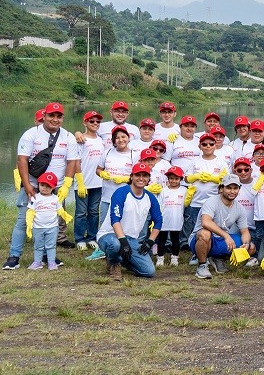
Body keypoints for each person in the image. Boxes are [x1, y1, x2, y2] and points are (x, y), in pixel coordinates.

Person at [5, 102, 80, 271]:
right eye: (51, 116)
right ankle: (14, 256)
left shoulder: (68, 137)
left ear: (62, 118)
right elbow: (22, 160)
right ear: (44, 116)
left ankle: (47, 255)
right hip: (32, 186)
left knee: (50, 222)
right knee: (24, 221)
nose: (55, 119)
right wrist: (27, 185)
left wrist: (66, 186)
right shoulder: (31, 134)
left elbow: (72, 162)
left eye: (59, 116)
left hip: (55, 188)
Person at [95, 163, 162, 280]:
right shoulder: (121, 193)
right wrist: (123, 241)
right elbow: (115, 220)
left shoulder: (150, 198)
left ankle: (121, 258)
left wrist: (150, 241)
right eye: (138, 175)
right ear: (131, 176)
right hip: (109, 235)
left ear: (148, 179)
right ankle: (114, 263)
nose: (141, 178)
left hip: (131, 239)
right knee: (116, 245)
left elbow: (158, 221)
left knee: (149, 271)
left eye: (144, 176)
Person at [189, 174, 255, 280]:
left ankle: (218, 258)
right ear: (221, 189)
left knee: (251, 248)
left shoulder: (239, 207)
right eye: (228, 187)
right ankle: (202, 266)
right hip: (202, 239)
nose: (232, 191)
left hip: (221, 240)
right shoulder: (212, 201)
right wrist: (226, 236)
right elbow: (205, 222)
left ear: (239, 189)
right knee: (205, 233)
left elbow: (245, 231)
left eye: (235, 188)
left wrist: (246, 244)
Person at [25, 172, 72, 270]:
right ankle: (37, 262)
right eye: (42, 185)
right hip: (37, 227)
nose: (45, 188)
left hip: (52, 227)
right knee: (38, 246)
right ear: (38, 184)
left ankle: (51, 262)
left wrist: (66, 216)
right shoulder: (35, 197)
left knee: (51, 246)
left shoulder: (56, 199)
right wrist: (29, 225)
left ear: (53, 187)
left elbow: (60, 211)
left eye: (48, 186)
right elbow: (30, 211)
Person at [75, 110, 105, 251]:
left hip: (98, 183)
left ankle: (91, 237)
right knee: (81, 212)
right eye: (91, 121)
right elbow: (75, 161)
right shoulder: (80, 139)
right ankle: (79, 238)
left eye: (97, 121)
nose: (95, 123)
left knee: (94, 211)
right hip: (83, 182)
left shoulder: (101, 140)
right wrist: (79, 181)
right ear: (84, 122)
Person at [155, 166, 187, 267]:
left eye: (176, 179)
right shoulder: (163, 190)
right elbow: (159, 204)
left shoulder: (184, 190)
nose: (173, 181)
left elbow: (186, 203)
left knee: (175, 239)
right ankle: (160, 258)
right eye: (171, 178)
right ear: (168, 179)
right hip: (164, 220)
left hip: (176, 219)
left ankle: (174, 257)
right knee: (162, 239)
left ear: (181, 179)